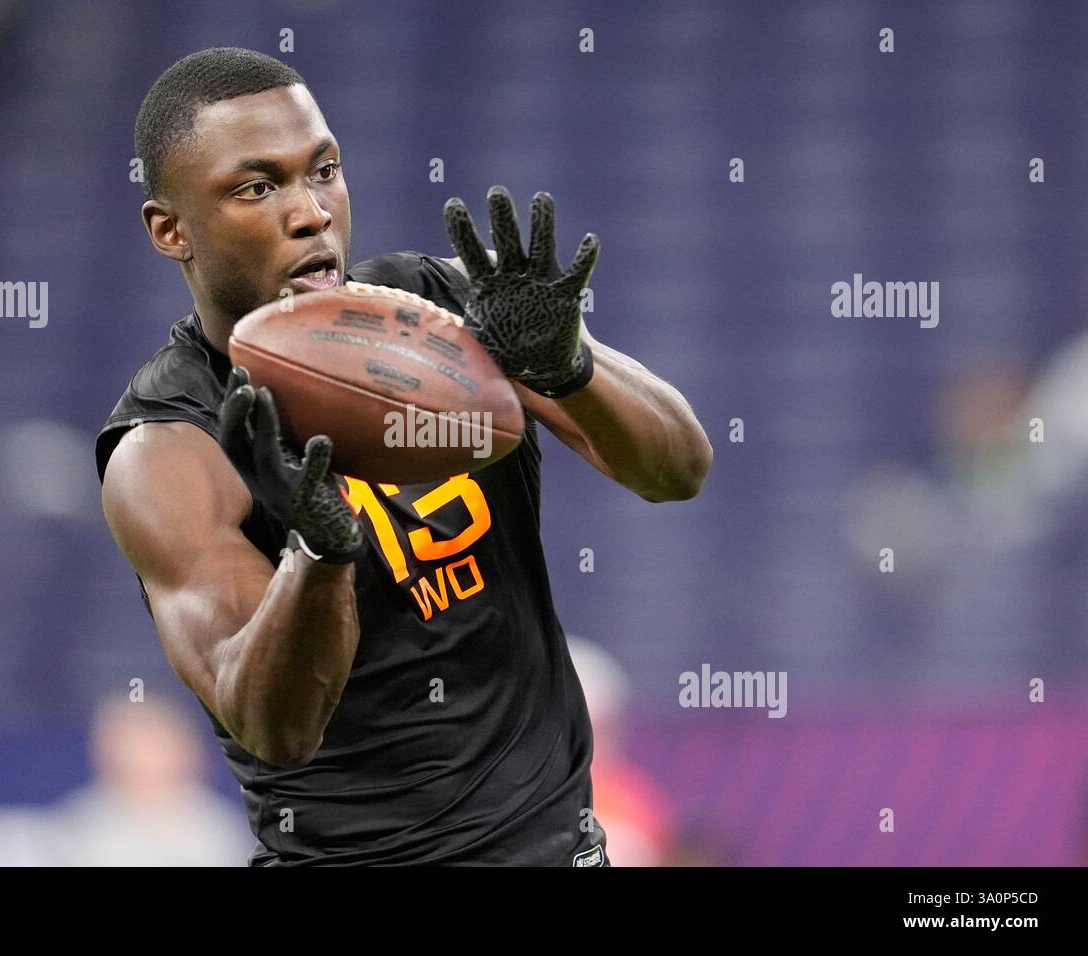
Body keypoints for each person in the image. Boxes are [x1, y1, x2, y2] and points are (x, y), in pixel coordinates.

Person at [96, 47, 712, 866]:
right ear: (170, 228)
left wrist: (570, 366)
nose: (311, 212)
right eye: (257, 187)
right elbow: (275, 725)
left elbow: (677, 471)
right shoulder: (169, 449)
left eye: (324, 171)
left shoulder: (442, 313)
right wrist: (318, 552)